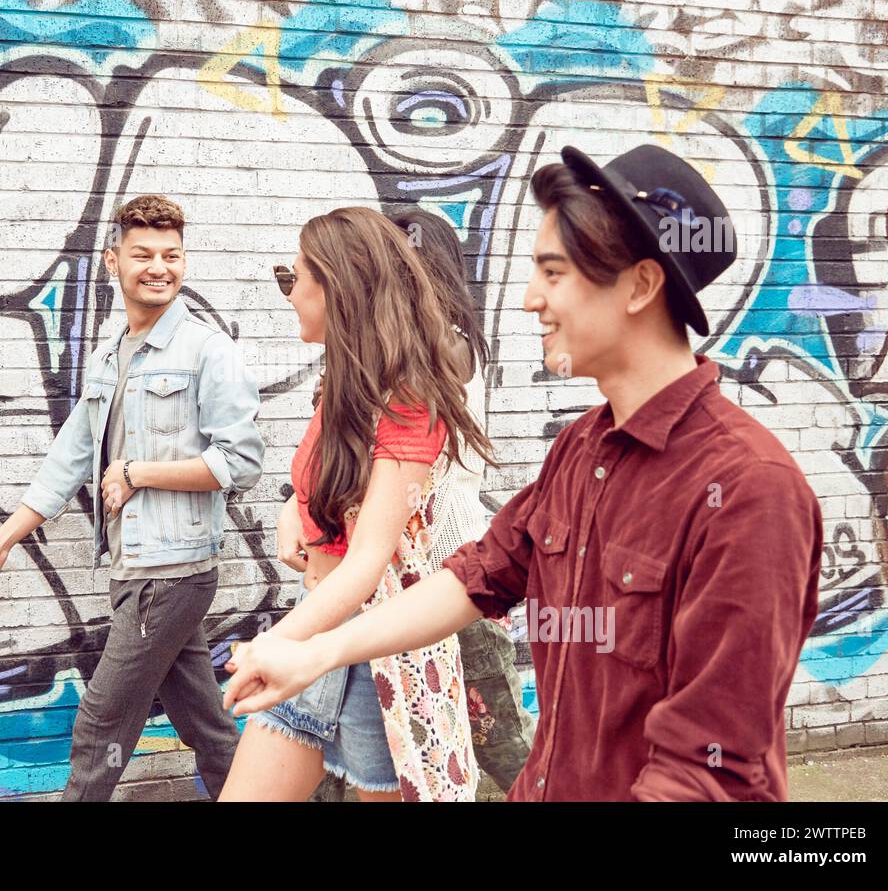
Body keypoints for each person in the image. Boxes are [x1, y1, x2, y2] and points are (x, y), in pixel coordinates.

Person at [224, 146, 823, 802]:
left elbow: (706, 776)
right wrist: (316, 652)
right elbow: (479, 575)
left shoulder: (749, 490)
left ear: (642, 286)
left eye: (553, 273)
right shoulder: (580, 450)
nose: (531, 298)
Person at [0, 194, 264, 801]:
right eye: (144, 254)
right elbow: (68, 459)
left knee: (100, 721)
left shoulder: (208, 351)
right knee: (208, 729)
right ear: (112, 262)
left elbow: (242, 462)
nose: (160, 267)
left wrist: (138, 471)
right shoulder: (109, 354)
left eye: (172, 255)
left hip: (172, 572)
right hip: (135, 570)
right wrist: (0, 543)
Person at [219, 206, 498, 802]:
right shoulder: (343, 378)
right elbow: (321, 479)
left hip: (382, 661)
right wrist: (294, 507)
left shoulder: (411, 397)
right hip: (314, 624)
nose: (288, 293)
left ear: (336, 288)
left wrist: (277, 644)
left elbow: (369, 561)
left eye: (294, 277)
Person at [392, 209, 536, 793]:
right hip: (403, 574)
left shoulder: (445, 347)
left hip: (454, 569)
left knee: (501, 742)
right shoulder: (405, 344)